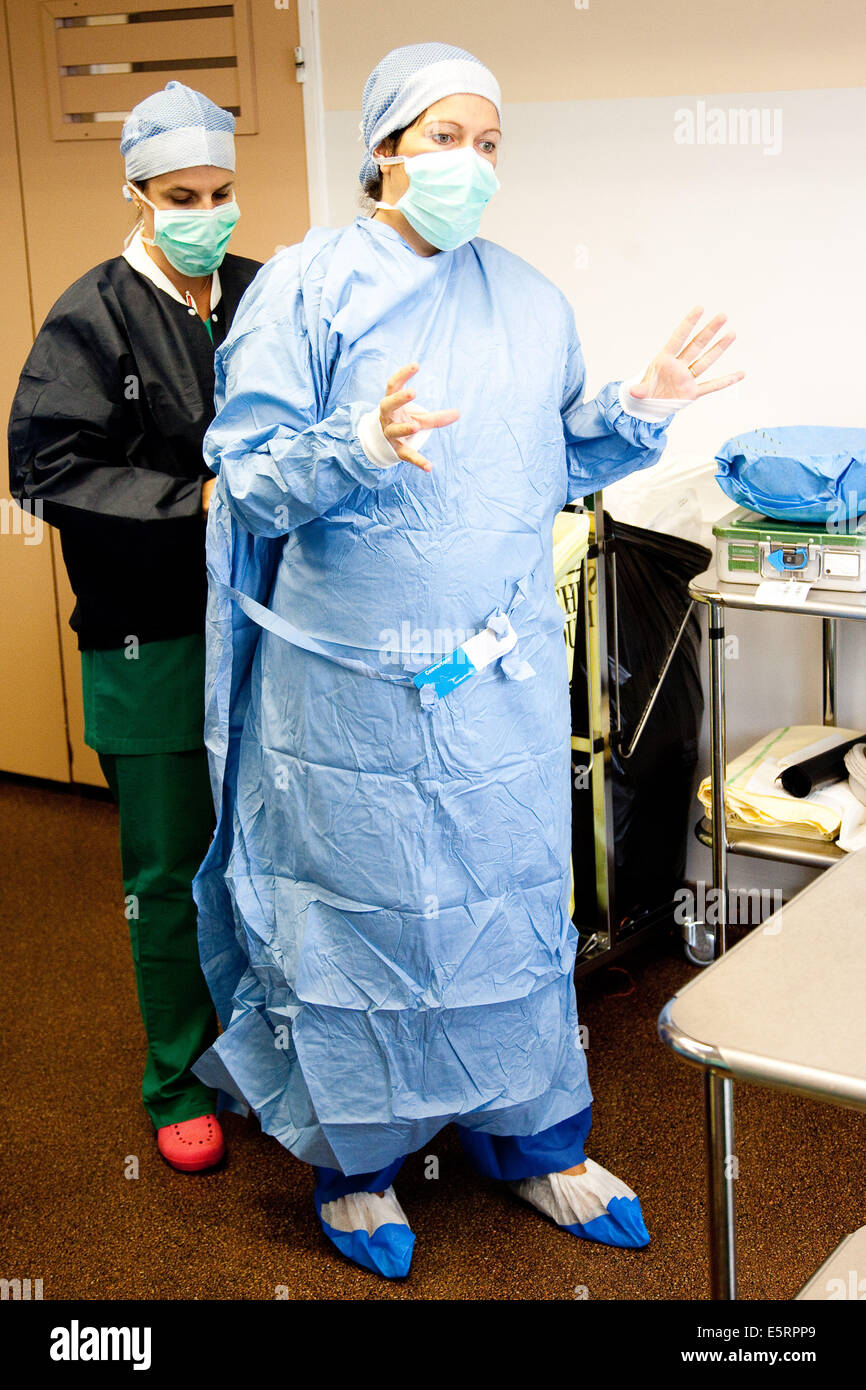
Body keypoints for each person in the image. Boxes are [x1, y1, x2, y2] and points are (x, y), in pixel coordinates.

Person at [191, 43, 743, 1275]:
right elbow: (249, 480)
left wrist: (637, 404)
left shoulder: (530, 299)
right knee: (362, 912)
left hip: (493, 689)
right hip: (348, 699)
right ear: (384, 149)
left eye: (488, 143)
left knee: (507, 908)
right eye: (444, 137)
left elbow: (549, 461)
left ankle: (539, 1139)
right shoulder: (304, 289)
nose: (470, 166)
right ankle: (359, 1169)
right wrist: (356, 443)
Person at [8, 82, 261, 1173]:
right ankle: (174, 1077)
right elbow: (45, 469)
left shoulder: (261, 293)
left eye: (219, 192)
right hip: (147, 642)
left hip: (266, 635)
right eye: (180, 194)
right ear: (139, 194)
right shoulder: (93, 313)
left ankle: (256, 1054)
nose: (204, 211)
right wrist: (190, 503)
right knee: (169, 870)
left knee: (265, 858)